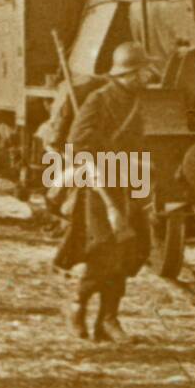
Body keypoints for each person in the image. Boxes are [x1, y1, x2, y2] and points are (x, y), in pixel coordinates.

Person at [53, 41, 154, 341]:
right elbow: (76, 146)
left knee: (129, 253)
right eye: (142, 71)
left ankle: (108, 320)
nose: (147, 76)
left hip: (131, 184)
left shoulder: (140, 101)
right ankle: (76, 307)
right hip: (100, 187)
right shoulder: (98, 100)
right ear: (130, 73)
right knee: (103, 251)